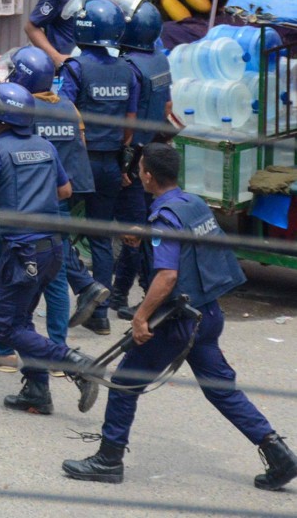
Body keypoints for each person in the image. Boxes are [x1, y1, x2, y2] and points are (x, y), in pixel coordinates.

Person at [63, 143, 297, 489]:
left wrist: (141, 317)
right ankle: (279, 453)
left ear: (147, 175)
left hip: (174, 322)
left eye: (140, 168)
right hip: (207, 315)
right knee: (223, 390)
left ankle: (109, 460)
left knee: (125, 384)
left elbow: (168, 276)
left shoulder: (164, 216)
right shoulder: (193, 203)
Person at [0, 82, 101, 413]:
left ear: (2, 118)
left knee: (9, 327)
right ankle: (37, 390)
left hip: (21, 253)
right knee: (23, 320)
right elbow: (65, 191)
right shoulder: (45, 147)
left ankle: (76, 362)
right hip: (51, 249)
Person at [0, 47, 108, 372]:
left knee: (5, 281)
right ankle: (57, 351)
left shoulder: (19, 110)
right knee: (53, 283)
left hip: (20, 214)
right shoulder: (69, 108)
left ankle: (5, 349)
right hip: (57, 209)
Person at [59, 0, 139, 335]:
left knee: (54, 230)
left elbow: (64, 115)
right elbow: (130, 125)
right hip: (110, 163)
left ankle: (76, 292)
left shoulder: (75, 68)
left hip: (79, 163)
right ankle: (101, 315)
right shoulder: (127, 69)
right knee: (102, 239)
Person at [110, 2, 172, 317]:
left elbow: (128, 124)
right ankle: (148, 292)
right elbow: (167, 108)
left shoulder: (128, 66)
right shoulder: (160, 60)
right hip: (155, 154)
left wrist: (124, 164)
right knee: (148, 226)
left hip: (135, 160)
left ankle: (120, 296)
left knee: (134, 232)